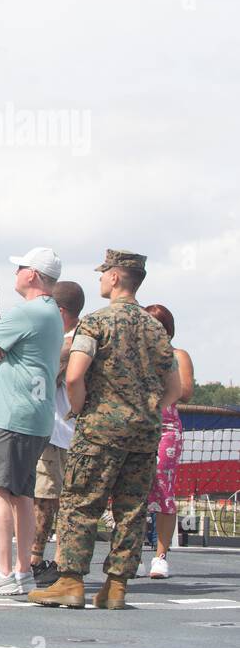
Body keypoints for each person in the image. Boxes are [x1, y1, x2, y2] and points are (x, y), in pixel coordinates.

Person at [30, 250, 181, 610]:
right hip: (144, 433)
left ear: (115, 277)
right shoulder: (155, 328)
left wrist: (82, 409)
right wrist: (146, 411)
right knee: (131, 510)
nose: (99, 279)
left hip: (99, 431)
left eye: (103, 273)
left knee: (81, 505)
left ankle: (70, 581)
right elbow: (174, 389)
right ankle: (116, 587)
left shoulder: (96, 323)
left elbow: (74, 374)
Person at [0, 247, 64, 596]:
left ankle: (4, 569)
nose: (16, 272)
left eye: (21, 267)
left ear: (33, 274)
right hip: (34, 414)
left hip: (13, 413)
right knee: (21, 493)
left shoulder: (28, 313)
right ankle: (21, 571)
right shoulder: (50, 314)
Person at [30, 280, 85, 586]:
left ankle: (43, 559)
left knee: (47, 498)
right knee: (58, 498)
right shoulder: (84, 337)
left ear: (60, 310)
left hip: (59, 433)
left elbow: (45, 377)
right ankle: (49, 559)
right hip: (68, 432)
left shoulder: (68, 342)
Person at [142, 304, 193, 579]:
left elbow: (185, 392)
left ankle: (160, 555)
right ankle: (131, 553)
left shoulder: (177, 355)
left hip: (166, 428)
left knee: (163, 488)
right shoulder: (133, 355)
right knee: (131, 489)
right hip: (136, 426)